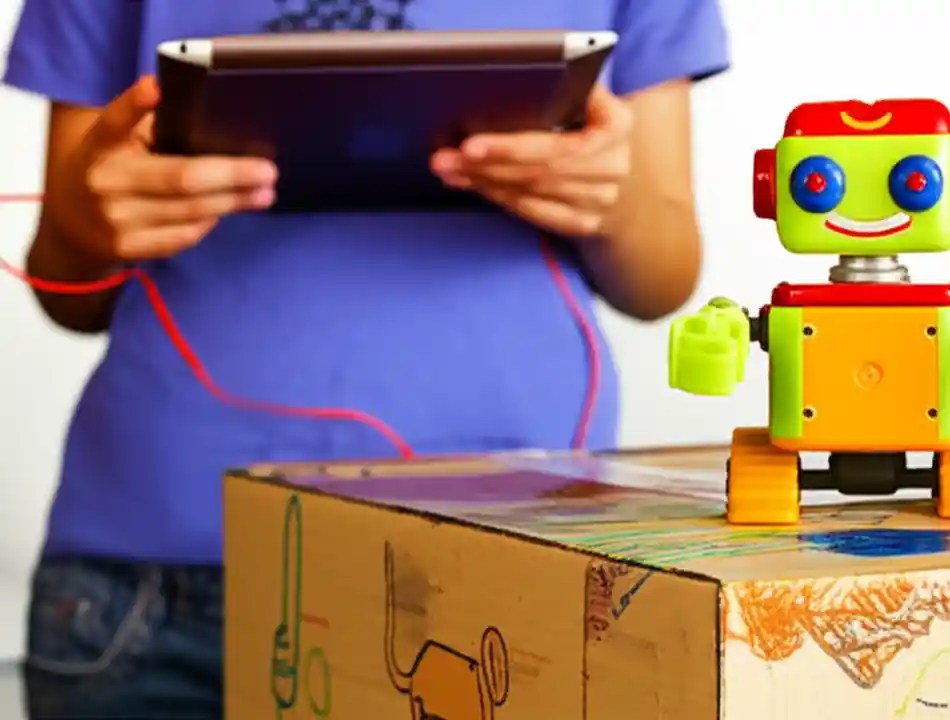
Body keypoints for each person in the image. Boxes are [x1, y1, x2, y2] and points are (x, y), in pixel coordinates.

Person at [2, 0, 729, 716]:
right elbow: (69, 289)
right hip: (156, 576)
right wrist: (89, 219)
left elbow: (661, 278)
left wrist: (613, 201)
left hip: (522, 557)